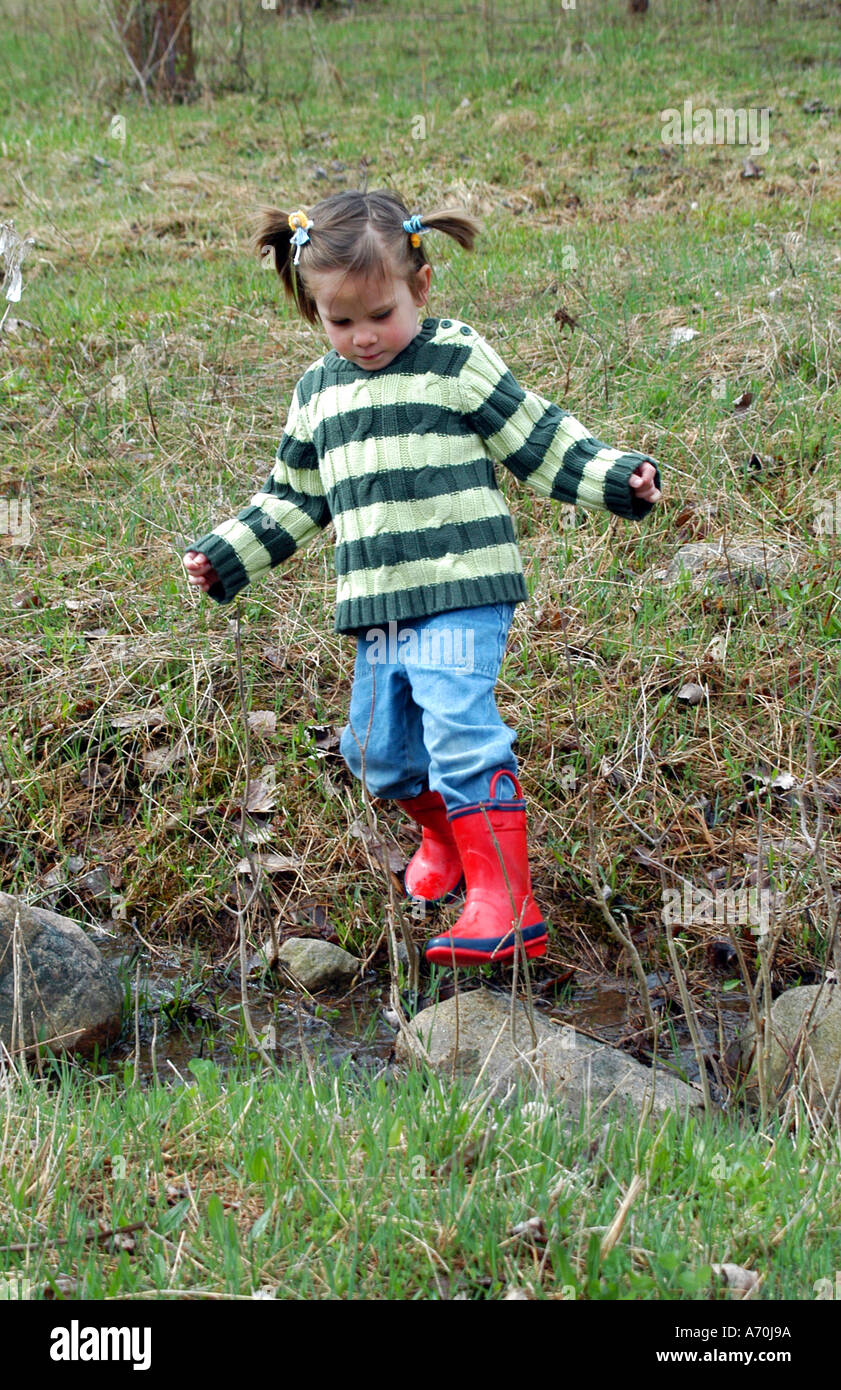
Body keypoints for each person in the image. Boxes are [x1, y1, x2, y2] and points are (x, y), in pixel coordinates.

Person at [183, 189, 662, 968]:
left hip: (464, 588)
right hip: (378, 604)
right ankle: (447, 837)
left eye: (380, 314)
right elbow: (294, 497)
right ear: (313, 311)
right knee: (376, 752)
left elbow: (534, 437)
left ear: (422, 287)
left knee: (455, 720)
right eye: (340, 322)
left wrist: (616, 477)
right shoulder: (318, 393)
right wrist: (226, 553)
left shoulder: (455, 358)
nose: (363, 337)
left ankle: (507, 903)